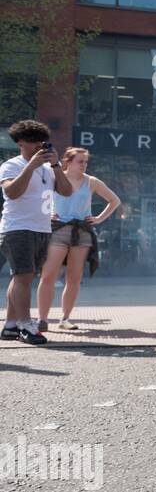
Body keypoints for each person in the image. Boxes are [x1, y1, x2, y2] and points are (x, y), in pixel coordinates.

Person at [1, 120, 73, 344]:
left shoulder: (49, 168)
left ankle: (11, 326)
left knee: (23, 276)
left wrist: (56, 166)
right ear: (20, 142)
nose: (39, 146)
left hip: (42, 228)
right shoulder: (11, 165)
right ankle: (26, 325)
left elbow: (66, 191)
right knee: (23, 275)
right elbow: (12, 192)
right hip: (17, 228)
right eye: (33, 142)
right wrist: (30, 166)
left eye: (42, 142)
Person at [36, 148, 121, 331]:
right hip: (58, 230)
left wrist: (98, 218)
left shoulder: (91, 181)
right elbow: (37, 195)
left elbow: (115, 201)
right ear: (68, 161)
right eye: (80, 161)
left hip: (82, 232)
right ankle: (42, 319)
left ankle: (65, 319)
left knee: (74, 277)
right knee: (48, 275)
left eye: (85, 162)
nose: (84, 165)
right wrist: (45, 213)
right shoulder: (54, 176)